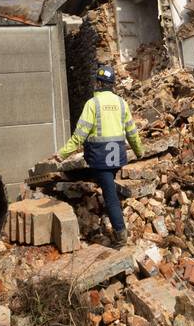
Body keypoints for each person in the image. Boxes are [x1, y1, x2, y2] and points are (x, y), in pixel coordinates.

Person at [54, 64, 143, 245]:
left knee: (110, 197)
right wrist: (139, 152)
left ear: (99, 83)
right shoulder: (121, 103)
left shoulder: (92, 104)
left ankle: (120, 234)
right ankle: (110, 217)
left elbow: (79, 136)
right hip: (117, 157)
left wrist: (62, 154)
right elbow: (132, 132)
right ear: (112, 84)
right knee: (109, 187)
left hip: (99, 160)